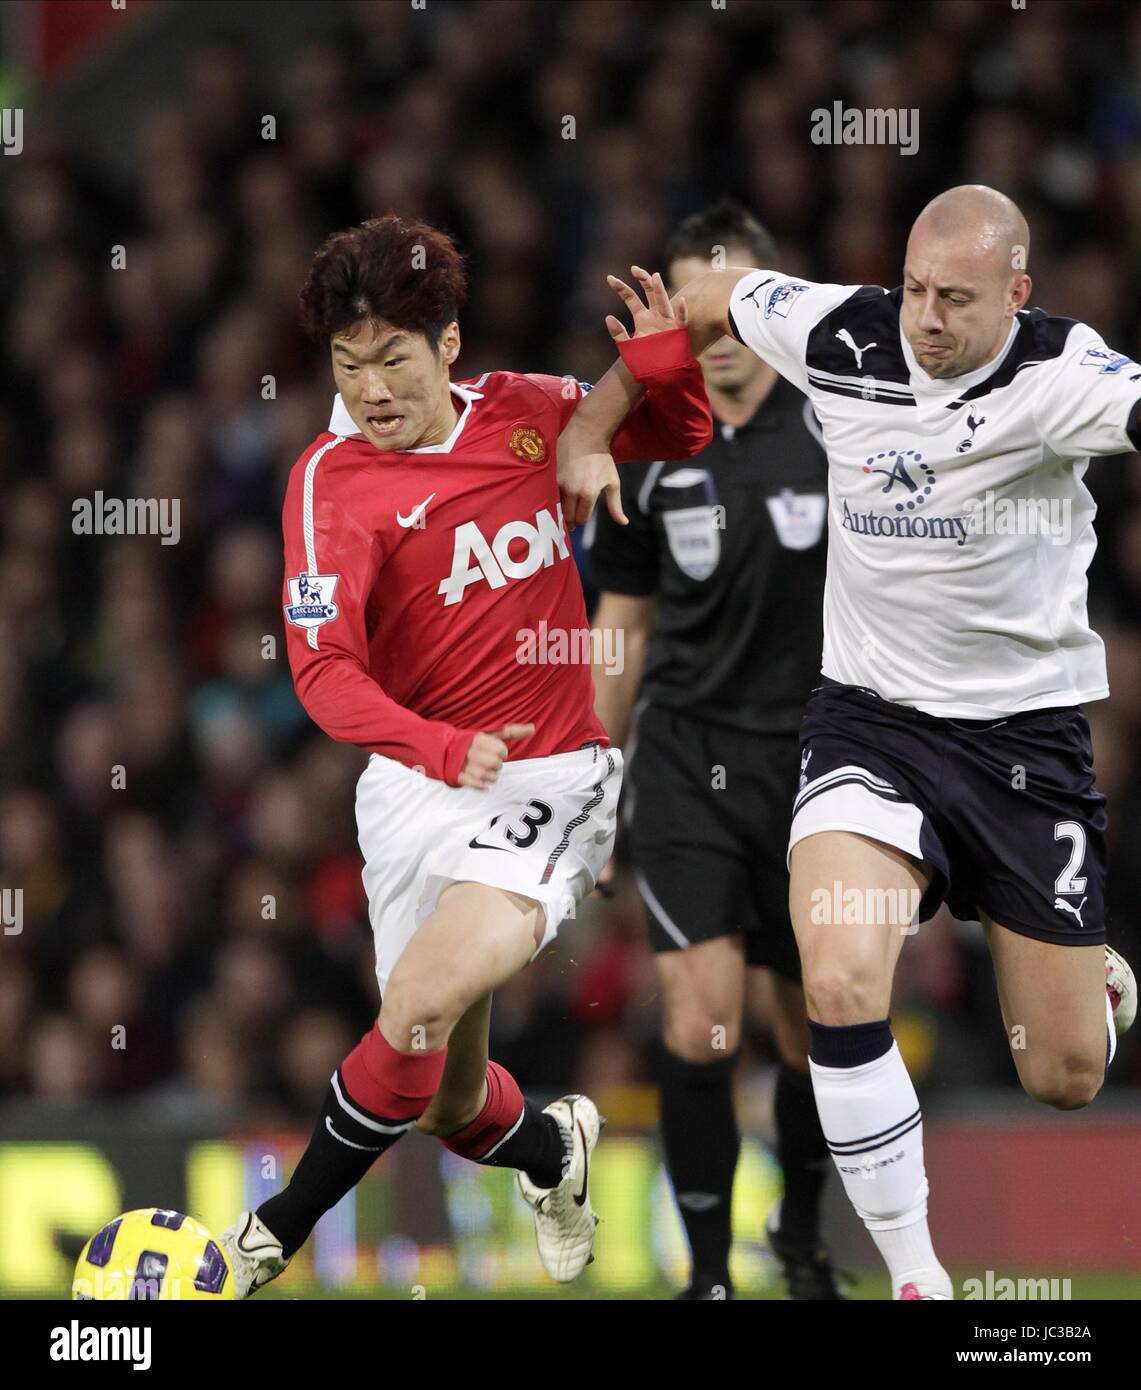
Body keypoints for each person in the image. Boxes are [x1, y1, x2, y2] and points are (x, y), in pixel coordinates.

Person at [562, 185, 1139, 1300]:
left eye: (956, 300)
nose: (925, 317)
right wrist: (591, 430)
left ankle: (1090, 986)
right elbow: (702, 300)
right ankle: (916, 1278)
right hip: (867, 722)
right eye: (915, 288)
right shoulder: (840, 328)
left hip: (1022, 744)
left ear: (1016, 296)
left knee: (1061, 1074)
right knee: (832, 976)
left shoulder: (1064, 376)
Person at [218, 213, 713, 1295]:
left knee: (417, 1006)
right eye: (348, 366)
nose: (371, 389)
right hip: (417, 784)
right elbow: (324, 674)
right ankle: (552, 1152)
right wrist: (433, 743)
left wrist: (665, 358)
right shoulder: (327, 484)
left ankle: (265, 1237)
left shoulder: (529, 414)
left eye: (392, 357)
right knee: (441, 1094)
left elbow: (676, 432)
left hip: (554, 774)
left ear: (447, 345)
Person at [586, 201, 840, 1299]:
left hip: (824, 764)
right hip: (686, 760)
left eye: (733, 300)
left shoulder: (845, 424)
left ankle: (799, 1238)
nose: (715, 325)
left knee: (815, 1030)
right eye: (691, 306)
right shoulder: (642, 446)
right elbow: (622, 622)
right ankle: (706, 1278)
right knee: (701, 1023)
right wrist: (593, 784)